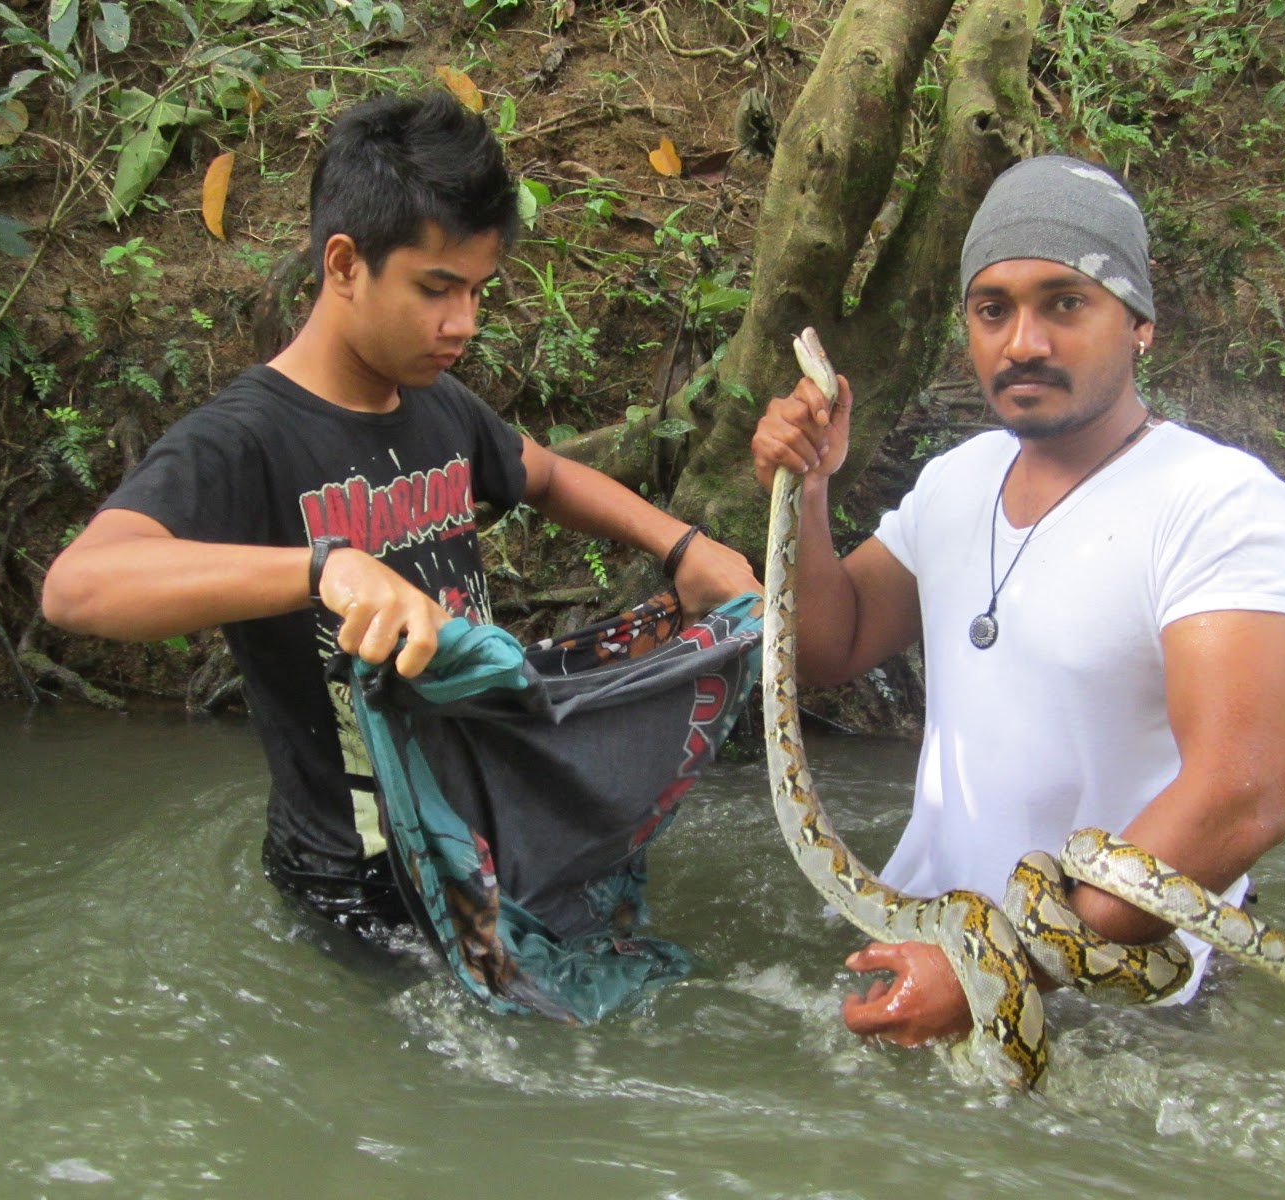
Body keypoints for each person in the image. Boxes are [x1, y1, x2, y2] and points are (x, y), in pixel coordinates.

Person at [42, 90, 759, 943]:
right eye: (436, 288)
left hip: (488, 842)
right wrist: (322, 569)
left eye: (478, 291)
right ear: (344, 264)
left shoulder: (441, 406)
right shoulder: (245, 440)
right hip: (357, 883)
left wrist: (682, 546)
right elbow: (77, 587)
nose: (463, 323)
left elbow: (548, 473)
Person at [749, 155, 1285, 1045]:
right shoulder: (958, 481)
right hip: (923, 946)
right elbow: (833, 648)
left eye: (1065, 301)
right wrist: (811, 492)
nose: (1023, 341)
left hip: (1114, 1011)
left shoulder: (1222, 505)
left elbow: (1240, 797)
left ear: (1139, 324)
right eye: (994, 309)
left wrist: (1001, 969)